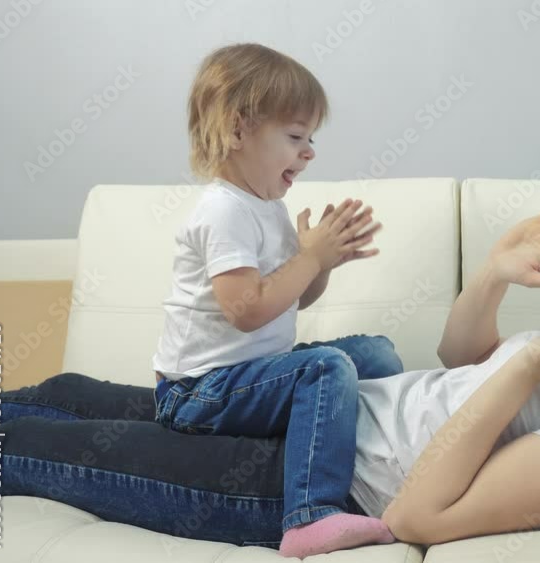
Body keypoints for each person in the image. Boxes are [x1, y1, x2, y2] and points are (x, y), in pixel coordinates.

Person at [0, 201, 540, 551]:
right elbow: (465, 363)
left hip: (305, 475)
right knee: (62, 391)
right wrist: (494, 274)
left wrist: (533, 357)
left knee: (37, 447)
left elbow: (418, 513)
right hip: (307, 414)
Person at [152, 41, 399, 557]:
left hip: (250, 375)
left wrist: (320, 262)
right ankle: (310, 514)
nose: (308, 152)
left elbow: (295, 300)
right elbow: (246, 311)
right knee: (325, 368)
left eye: (310, 138)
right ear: (239, 129)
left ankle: (382, 457)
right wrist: (307, 257)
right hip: (198, 391)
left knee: (376, 353)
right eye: (294, 136)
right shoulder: (224, 212)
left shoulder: (267, 208)